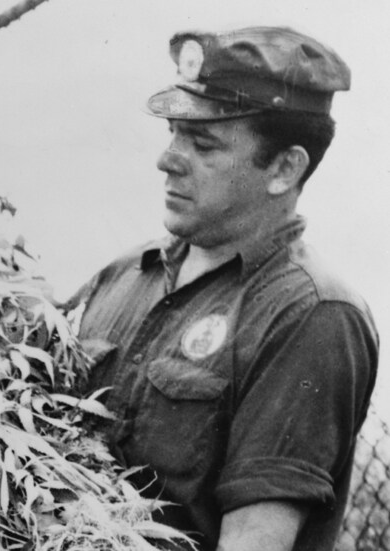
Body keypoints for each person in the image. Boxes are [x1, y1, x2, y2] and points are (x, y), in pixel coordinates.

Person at [70, 26, 379, 551]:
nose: (167, 159)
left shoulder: (311, 315)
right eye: (173, 133)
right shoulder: (125, 273)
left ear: (284, 168)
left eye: (203, 144)